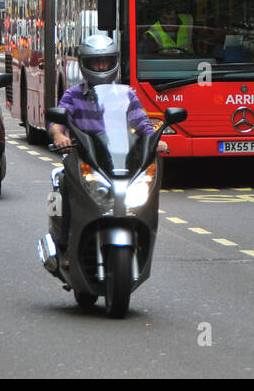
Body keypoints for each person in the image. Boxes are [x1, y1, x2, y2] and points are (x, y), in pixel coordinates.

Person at [48, 35, 167, 254]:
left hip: (117, 160)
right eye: (96, 62)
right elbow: (57, 122)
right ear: (85, 64)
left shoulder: (126, 95)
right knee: (65, 184)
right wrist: (59, 136)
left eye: (106, 61)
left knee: (143, 189)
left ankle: (142, 237)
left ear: (114, 63)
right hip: (84, 159)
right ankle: (64, 243)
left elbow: (142, 122)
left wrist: (155, 140)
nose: (101, 66)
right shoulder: (73, 95)